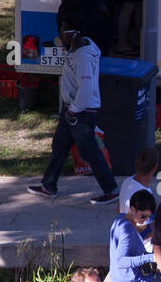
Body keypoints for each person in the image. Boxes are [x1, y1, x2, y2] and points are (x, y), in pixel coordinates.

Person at [27, 15, 119, 204]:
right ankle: (48, 185)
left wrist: (73, 110)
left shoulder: (83, 56)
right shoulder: (78, 49)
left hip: (80, 112)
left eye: (63, 31)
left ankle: (110, 189)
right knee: (59, 146)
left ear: (75, 34)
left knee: (89, 151)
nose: (60, 34)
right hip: (71, 110)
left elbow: (85, 89)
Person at [108, 190, 161, 282]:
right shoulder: (127, 231)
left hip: (118, 280)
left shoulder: (121, 218)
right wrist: (152, 257)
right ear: (132, 209)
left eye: (148, 217)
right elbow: (120, 261)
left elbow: (135, 238)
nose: (144, 220)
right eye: (143, 216)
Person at [118, 145, 159, 215]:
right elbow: (144, 224)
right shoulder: (147, 197)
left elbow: (119, 209)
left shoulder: (127, 181)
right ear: (155, 168)